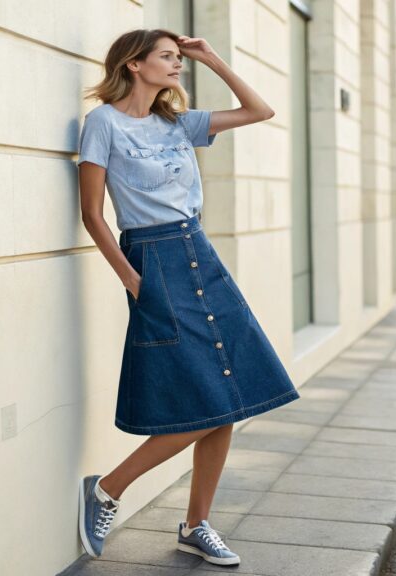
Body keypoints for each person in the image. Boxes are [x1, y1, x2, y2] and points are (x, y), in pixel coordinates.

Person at [75, 29, 300, 566]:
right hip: (152, 257)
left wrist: (212, 57)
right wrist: (133, 280)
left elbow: (259, 110)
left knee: (228, 401)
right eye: (169, 58)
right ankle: (108, 488)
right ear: (134, 65)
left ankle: (196, 524)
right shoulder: (103, 123)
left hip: (199, 251)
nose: (179, 66)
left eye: (180, 58)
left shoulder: (178, 121)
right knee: (206, 400)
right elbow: (91, 213)